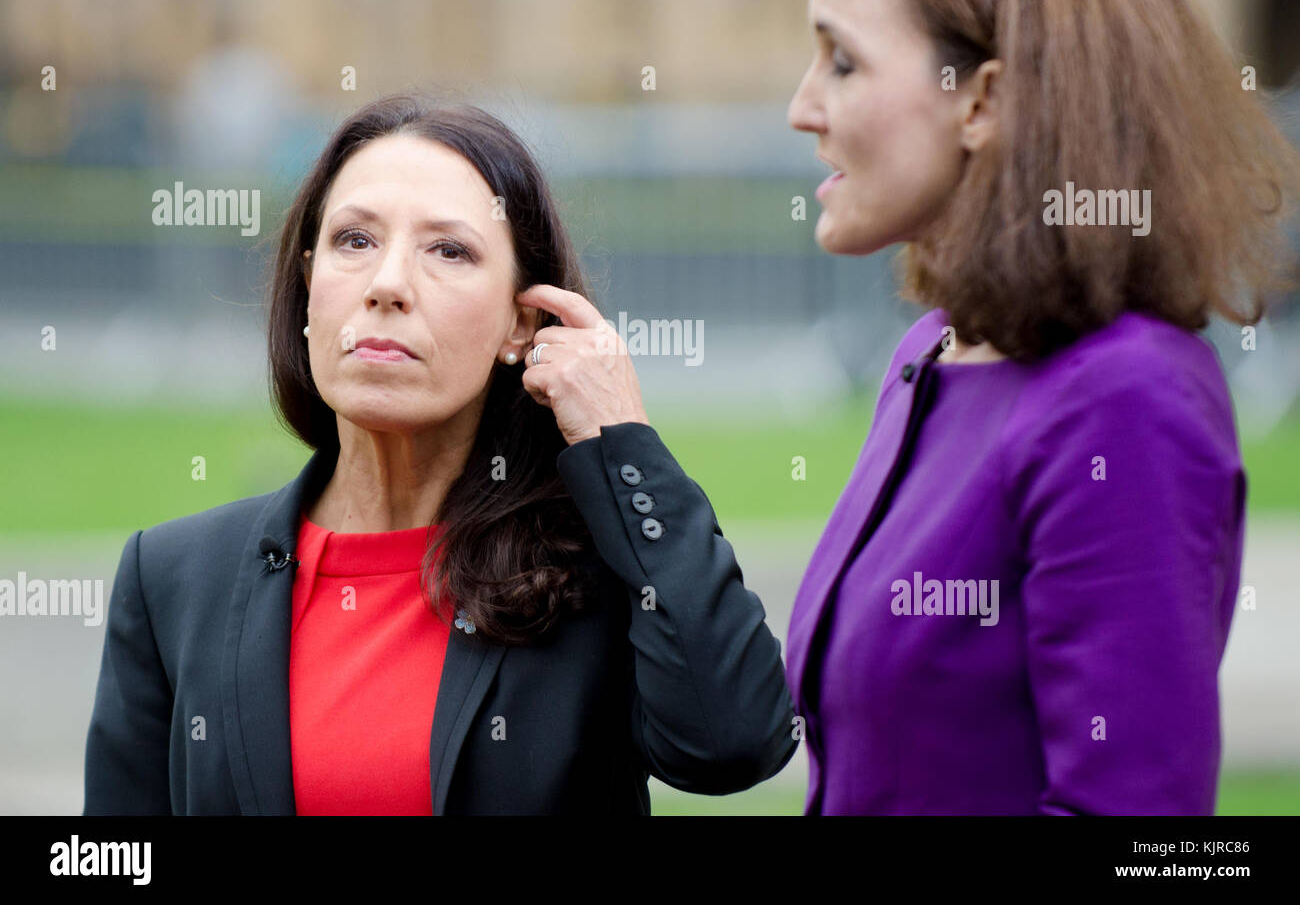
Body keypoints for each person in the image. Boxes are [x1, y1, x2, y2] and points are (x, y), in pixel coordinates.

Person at [83, 94, 797, 815]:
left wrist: (622, 439)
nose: (387, 284)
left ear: (522, 324)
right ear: (308, 287)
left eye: (449, 250)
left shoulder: (599, 578)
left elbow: (734, 743)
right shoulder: (171, 579)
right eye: (355, 241)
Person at [784, 0, 1300, 815]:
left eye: (843, 61)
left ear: (982, 100)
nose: (801, 105)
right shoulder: (932, 357)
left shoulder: (1124, 398)